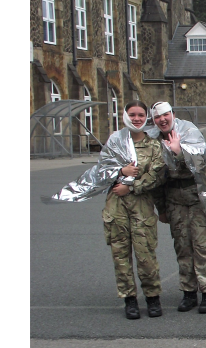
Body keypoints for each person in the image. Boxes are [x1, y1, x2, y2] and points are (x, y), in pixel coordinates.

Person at [48, 100, 166, 319]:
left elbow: (157, 175)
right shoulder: (115, 141)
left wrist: (130, 186)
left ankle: (152, 298)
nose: (137, 118)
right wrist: (121, 170)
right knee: (121, 257)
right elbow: (101, 171)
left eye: (141, 115)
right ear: (125, 115)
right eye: (132, 114)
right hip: (116, 208)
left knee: (146, 256)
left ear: (146, 117)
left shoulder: (153, 145)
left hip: (141, 208)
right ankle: (129, 300)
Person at [149, 101, 206, 314]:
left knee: (203, 245)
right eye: (157, 117)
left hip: (197, 195)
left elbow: (201, 159)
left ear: (172, 114)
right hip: (173, 197)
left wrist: (178, 151)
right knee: (182, 245)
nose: (162, 120)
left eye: (165, 115)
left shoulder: (188, 130)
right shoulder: (153, 139)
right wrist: (161, 209)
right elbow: (155, 178)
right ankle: (189, 292)